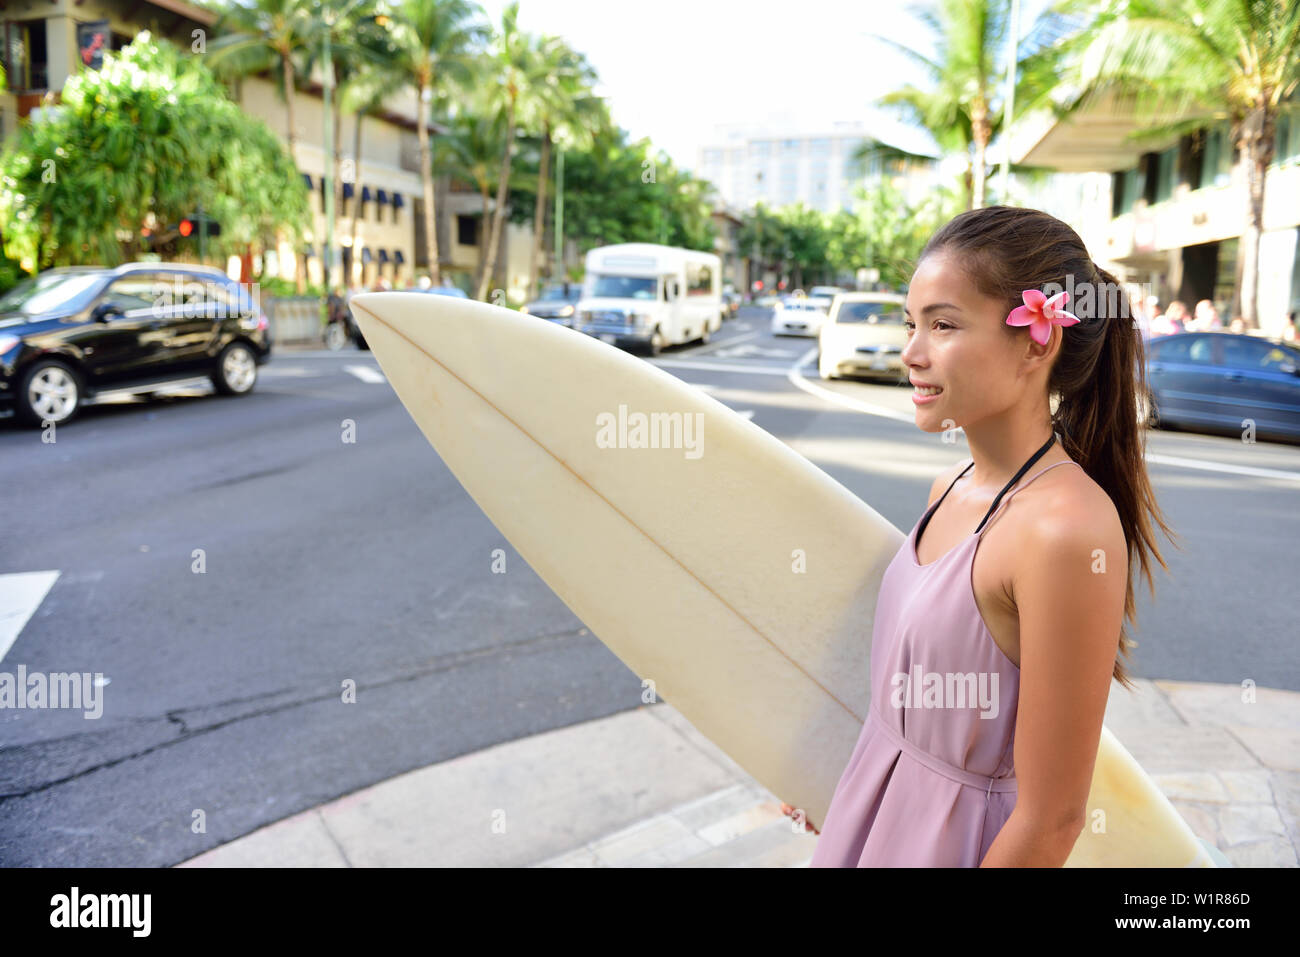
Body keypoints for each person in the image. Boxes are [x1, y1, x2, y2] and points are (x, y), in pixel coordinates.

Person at [798, 205, 1175, 867]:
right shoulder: (949, 486)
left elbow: (1051, 822)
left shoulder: (1065, 531)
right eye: (911, 323)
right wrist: (856, 793)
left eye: (943, 324)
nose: (911, 352)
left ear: (1037, 340)